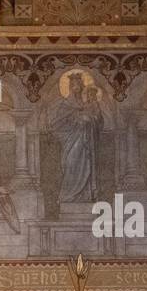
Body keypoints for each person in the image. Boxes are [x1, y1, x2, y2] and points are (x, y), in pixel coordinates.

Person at [48, 74, 105, 203]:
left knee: (87, 167)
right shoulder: (65, 105)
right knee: (71, 165)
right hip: (71, 141)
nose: (76, 89)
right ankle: (68, 196)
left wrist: (91, 120)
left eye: (79, 86)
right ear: (69, 88)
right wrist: (76, 121)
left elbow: (99, 123)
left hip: (86, 142)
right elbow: (57, 124)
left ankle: (85, 196)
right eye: (73, 86)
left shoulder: (88, 104)